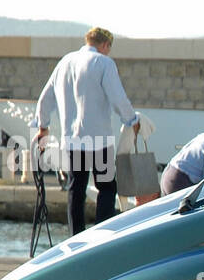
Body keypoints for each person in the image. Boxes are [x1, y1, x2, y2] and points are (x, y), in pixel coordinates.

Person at [36, 27, 140, 234]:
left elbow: (46, 97)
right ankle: (102, 235)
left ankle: (76, 236)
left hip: (72, 140)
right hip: (98, 139)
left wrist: (43, 126)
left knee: (76, 188)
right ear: (105, 45)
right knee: (107, 187)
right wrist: (131, 120)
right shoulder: (103, 63)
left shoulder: (65, 62)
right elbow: (118, 98)